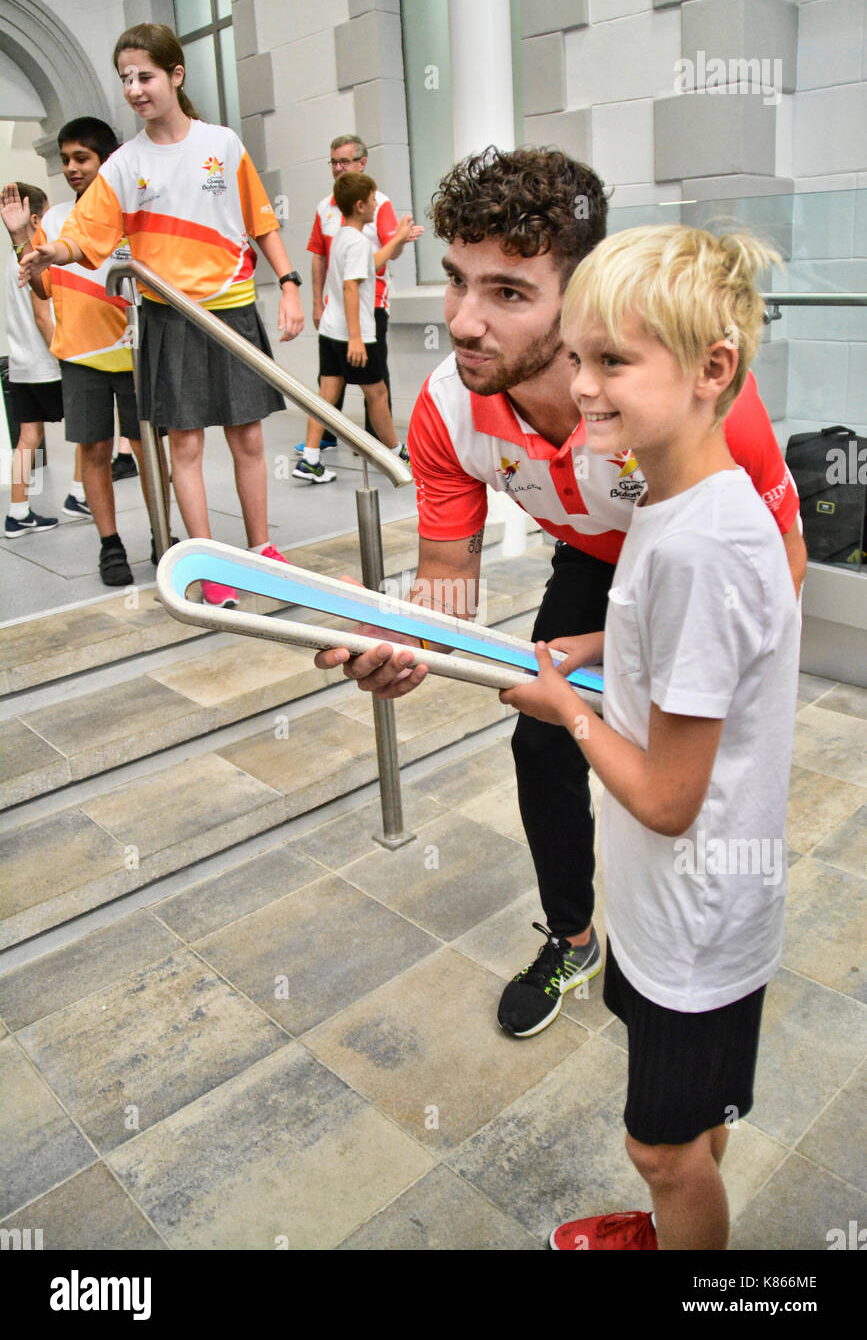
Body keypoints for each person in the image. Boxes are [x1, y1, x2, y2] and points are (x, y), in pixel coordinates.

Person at [313, 148, 807, 1039]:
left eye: (507, 293)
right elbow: (448, 587)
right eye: (457, 280)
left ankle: (708, 965)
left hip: (696, 559)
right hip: (594, 561)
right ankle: (574, 938)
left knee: (682, 777)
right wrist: (405, 642)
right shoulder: (447, 410)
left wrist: (679, 671)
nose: (463, 322)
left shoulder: (696, 404)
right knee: (541, 744)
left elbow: (782, 566)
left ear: (580, 300)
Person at [498, 223, 800, 1250]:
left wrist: (569, 710)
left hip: (697, 920)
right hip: (676, 903)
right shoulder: (676, 502)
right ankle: (679, 1223)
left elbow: (669, 795)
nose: (581, 387)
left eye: (614, 360)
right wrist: (600, 646)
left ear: (715, 370)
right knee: (689, 1123)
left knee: (662, 1148)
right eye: (578, 356)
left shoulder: (701, 547)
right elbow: (683, 670)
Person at [17, 23, 305, 608]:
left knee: (248, 437)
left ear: (175, 75)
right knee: (186, 447)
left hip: (232, 309)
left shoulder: (221, 144)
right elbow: (86, 236)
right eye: (125, 78)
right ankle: (209, 561)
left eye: (144, 76)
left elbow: (259, 220)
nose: (134, 89)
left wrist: (291, 285)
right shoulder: (125, 163)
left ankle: (262, 549)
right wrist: (50, 249)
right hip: (169, 319)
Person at [2, 120, 162, 586]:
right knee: (93, 450)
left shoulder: (134, 216)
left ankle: (162, 536)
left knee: (148, 450)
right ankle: (110, 545)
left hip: (135, 355)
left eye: (81, 158)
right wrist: (19, 239)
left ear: (106, 161)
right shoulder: (53, 222)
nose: (71, 168)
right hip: (80, 358)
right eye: (66, 159)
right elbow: (43, 286)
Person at [301, 133, 422, 455]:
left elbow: (370, 263)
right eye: (335, 161)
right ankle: (393, 452)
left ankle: (311, 457)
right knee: (376, 391)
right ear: (360, 205)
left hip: (335, 325)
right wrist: (355, 336)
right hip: (353, 327)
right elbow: (351, 284)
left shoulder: (345, 234)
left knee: (328, 391)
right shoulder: (351, 236)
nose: (338, 167)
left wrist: (397, 238)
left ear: (360, 162)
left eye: (345, 161)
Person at [4, 184, 64, 538]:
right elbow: (43, 317)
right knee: (93, 436)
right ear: (36, 217)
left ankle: (18, 512)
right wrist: (64, 353)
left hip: (22, 364)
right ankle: (79, 494)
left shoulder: (11, 263)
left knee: (27, 437)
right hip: (48, 363)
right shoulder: (35, 260)